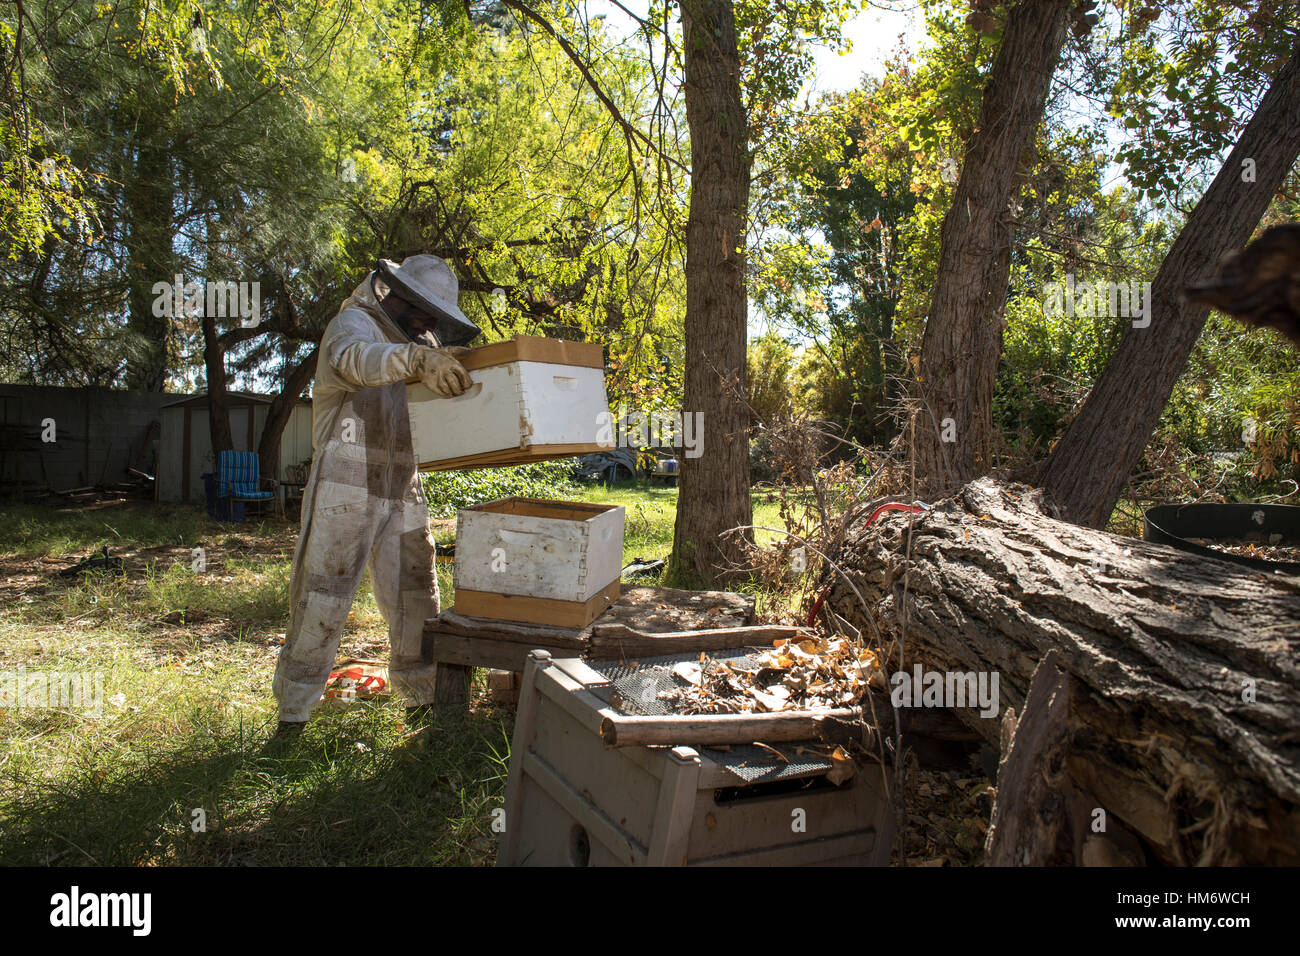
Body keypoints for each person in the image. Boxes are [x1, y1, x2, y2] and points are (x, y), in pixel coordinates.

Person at [272, 255, 478, 734]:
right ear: (399, 293)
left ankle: (421, 702)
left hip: (404, 482)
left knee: (416, 594)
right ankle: (293, 715)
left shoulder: (421, 343)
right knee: (324, 592)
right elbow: (355, 361)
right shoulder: (352, 323)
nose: (430, 323)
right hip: (346, 480)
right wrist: (417, 359)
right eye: (426, 309)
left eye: (438, 316)